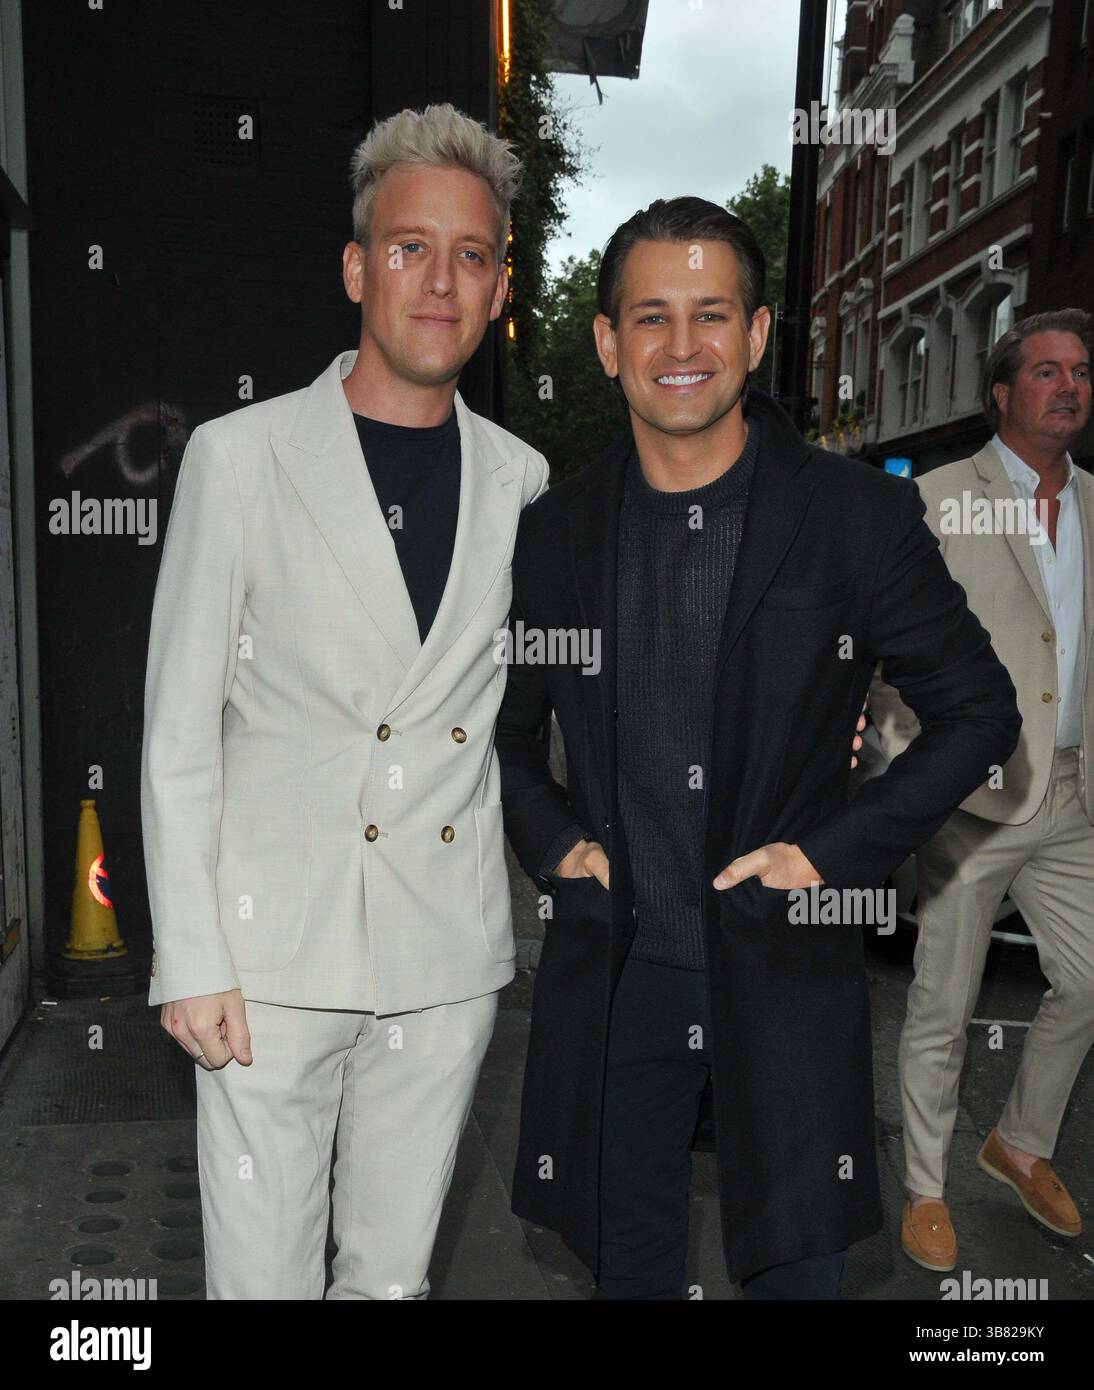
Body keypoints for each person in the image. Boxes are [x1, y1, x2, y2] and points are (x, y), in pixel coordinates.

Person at [495, 196, 1022, 1300]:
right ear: (605, 343)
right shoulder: (554, 531)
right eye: (649, 317)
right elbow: (506, 738)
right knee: (623, 1274)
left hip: (781, 975)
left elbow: (978, 711)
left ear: (756, 333)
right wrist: (557, 846)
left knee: (794, 1276)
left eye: (709, 314)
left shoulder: (847, 519)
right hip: (617, 984)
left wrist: (826, 856)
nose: (680, 347)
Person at [141, 103, 549, 1299]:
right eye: (410, 247)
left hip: (441, 953)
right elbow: (177, 728)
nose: (439, 280)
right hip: (263, 962)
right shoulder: (241, 455)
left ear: (498, 284)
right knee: (259, 1281)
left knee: (388, 1284)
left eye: (470, 255)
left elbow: (577, 680)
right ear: (356, 266)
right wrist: (192, 956)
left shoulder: (521, 483)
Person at [869, 309, 1094, 1273]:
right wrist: (906, 772)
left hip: (1077, 794)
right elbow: (885, 659)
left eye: (1082, 371)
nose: (1069, 386)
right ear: (1002, 393)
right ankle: (925, 1186)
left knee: (1088, 980)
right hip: (974, 793)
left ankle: (1020, 1144)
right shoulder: (937, 499)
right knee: (942, 1004)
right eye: (1046, 371)